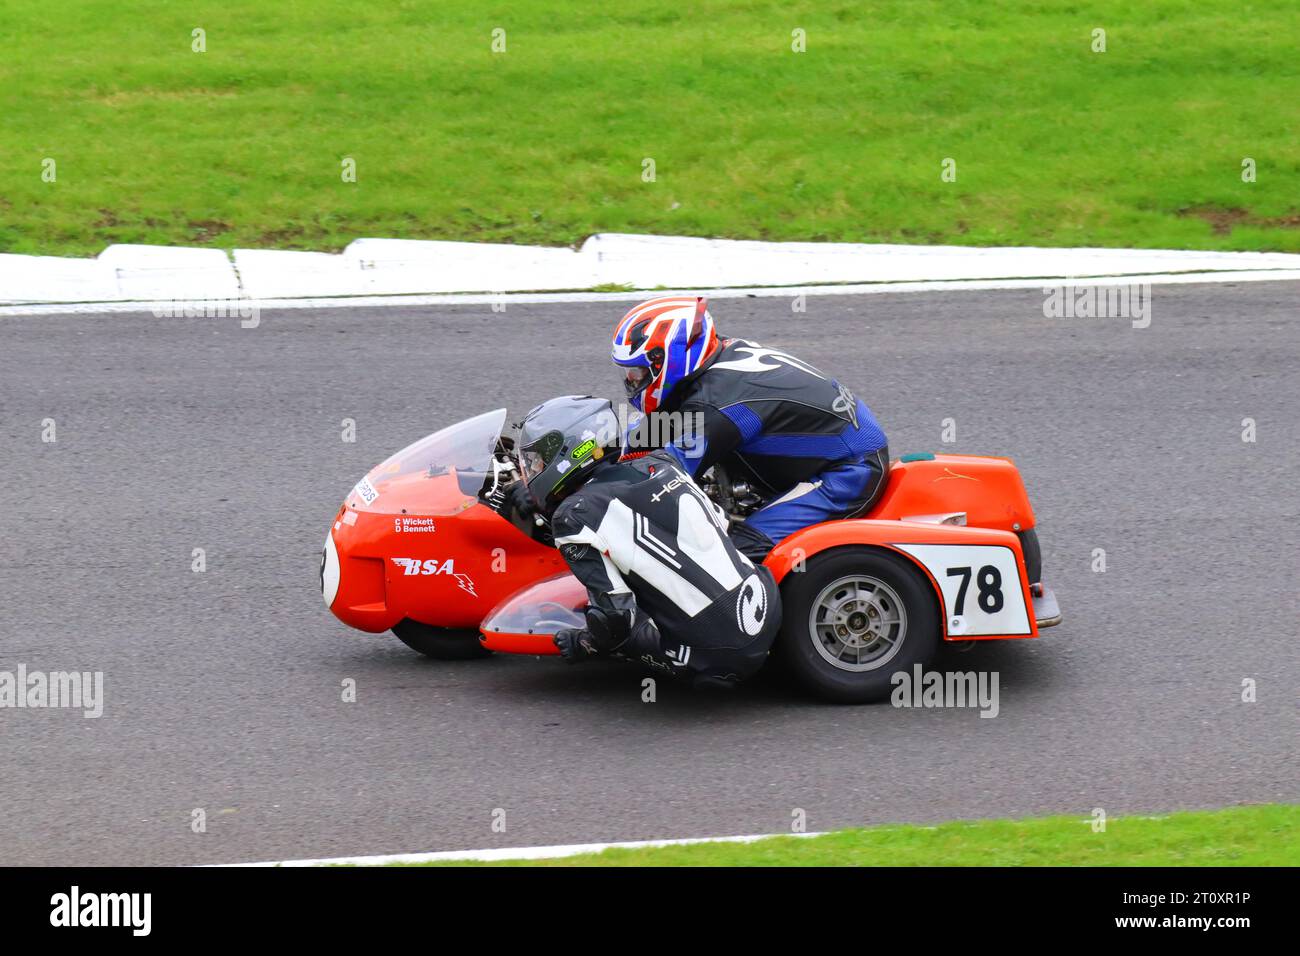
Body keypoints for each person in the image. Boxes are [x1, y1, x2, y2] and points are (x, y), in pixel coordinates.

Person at [513, 395, 780, 689]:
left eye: (537, 460)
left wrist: (584, 641)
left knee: (611, 625)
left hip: (716, 658)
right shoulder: (661, 461)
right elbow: (722, 523)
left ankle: (697, 661)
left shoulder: (572, 517)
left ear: (569, 453)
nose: (534, 469)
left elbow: (617, 619)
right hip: (767, 603)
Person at [612, 295, 890, 560]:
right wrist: (606, 450)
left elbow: (664, 480)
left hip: (848, 471)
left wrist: (602, 497)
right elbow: (656, 432)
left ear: (668, 358)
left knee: (733, 555)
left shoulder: (717, 407)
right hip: (834, 446)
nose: (633, 382)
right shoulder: (715, 357)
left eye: (637, 373)